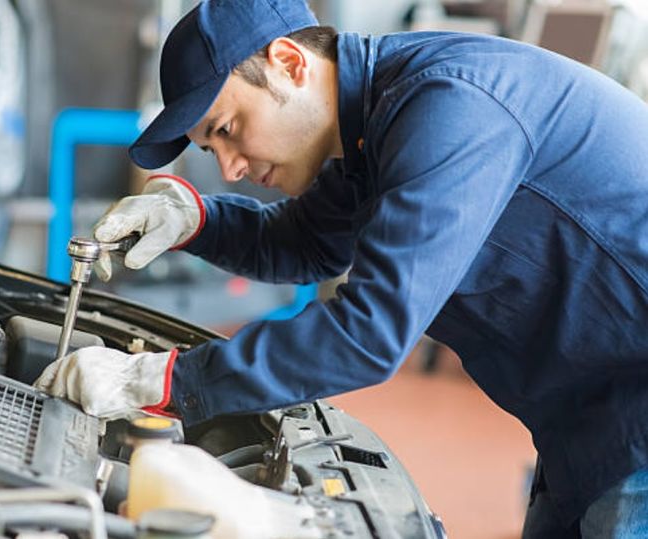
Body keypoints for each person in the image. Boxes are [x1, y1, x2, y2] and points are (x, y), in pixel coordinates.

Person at [33, 0, 648, 536]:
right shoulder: (369, 131)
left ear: (289, 63)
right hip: (580, 425)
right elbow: (304, 242)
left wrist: (164, 380)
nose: (230, 167)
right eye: (211, 149)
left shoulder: (448, 106)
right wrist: (194, 218)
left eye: (229, 129)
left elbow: (370, 332)